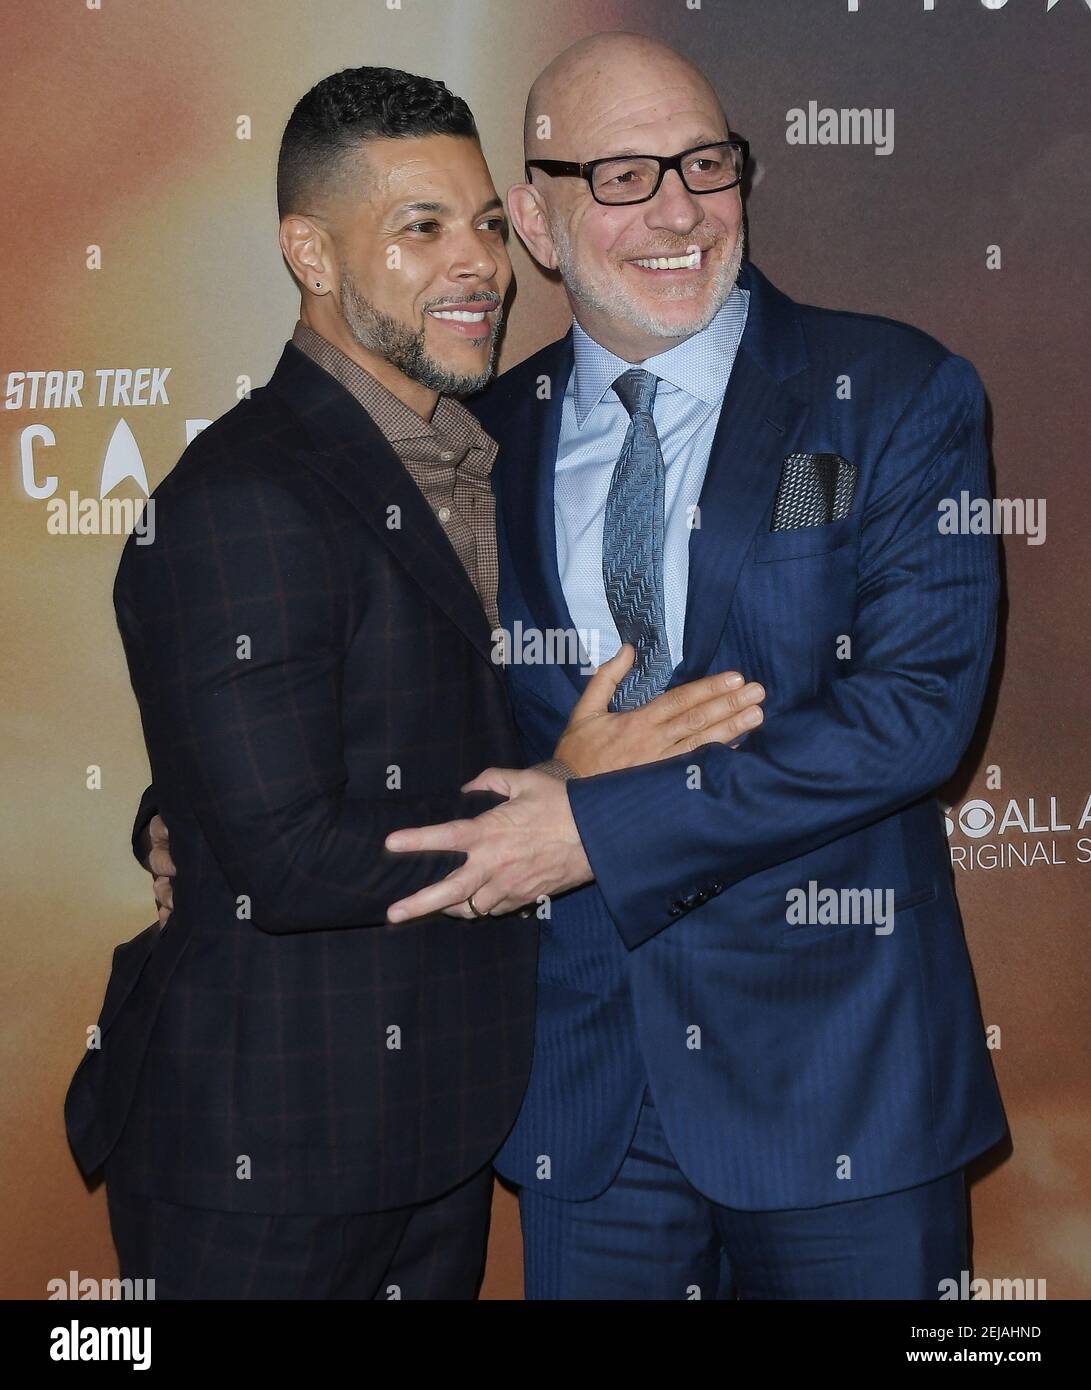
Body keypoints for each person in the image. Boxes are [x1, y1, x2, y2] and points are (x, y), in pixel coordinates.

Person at [65, 63, 764, 1301]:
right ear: (310, 254)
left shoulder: (491, 454)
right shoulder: (243, 495)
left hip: (437, 1130)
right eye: (420, 228)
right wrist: (564, 794)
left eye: (489, 225)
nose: (480, 267)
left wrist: (185, 810)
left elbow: (327, 732)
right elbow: (283, 856)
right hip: (264, 1147)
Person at [383, 33, 1009, 1299]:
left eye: (704, 164)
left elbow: (914, 715)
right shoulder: (474, 446)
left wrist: (602, 827)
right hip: (588, 1107)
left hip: (848, 1104)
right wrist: (195, 811)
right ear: (537, 221)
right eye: (620, 174)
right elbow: (402, 709)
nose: (677, 210)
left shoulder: (890, 391)